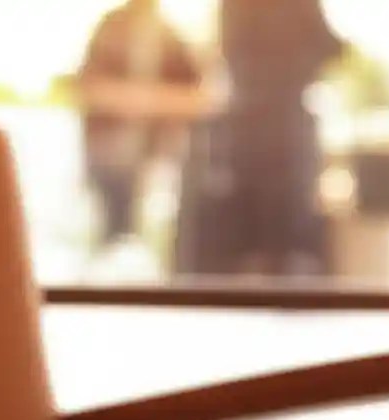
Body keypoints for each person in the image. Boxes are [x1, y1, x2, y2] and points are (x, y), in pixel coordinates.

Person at [216, 0, 343, 276]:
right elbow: (329, 46)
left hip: (251, 119)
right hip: (283, 121)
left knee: (259, 224)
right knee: (284, 217)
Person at [77, 0, 203, 251]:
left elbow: (200, 96)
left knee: (154, 240)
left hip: (156, 162)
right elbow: (88, 88)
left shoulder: (171, 36)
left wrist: (149, 100)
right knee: (110, 240)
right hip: (109, 160)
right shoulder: (110, 28)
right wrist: (131, 99)